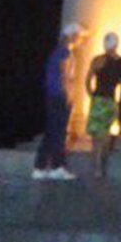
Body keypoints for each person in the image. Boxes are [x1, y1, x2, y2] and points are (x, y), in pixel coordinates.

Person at [84, 32, 121, 179]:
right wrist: (119, 81)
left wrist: (91, 95)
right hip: (112, 102)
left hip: (99, 100)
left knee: (96, 137)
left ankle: (97, 168)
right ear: (116, 44)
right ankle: (102, 164)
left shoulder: (98, 60)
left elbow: (88, 81)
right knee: (105, 135)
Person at [33, 24, 82, 181]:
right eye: (78, 35)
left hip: (52, 94)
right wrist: (68, 94)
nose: (80, 39)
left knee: (51, 131)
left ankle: (40, 167)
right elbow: (65, 73)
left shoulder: (58, 51)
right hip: (59, 96)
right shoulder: (65, 51)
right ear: (72, 36)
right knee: (60, 132)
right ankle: (57, 167)